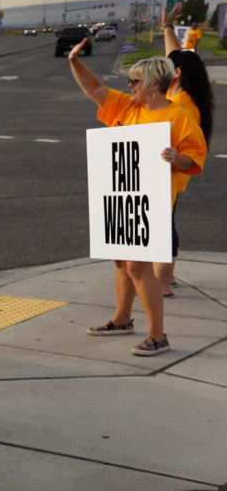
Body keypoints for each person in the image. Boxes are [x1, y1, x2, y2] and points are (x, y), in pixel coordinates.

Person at [67, 39, 207, 355]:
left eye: (135, 81)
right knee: (121, 261)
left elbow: (195, 158)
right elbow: (95, 89)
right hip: (123, 197)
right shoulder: (128, 106)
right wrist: (75, 61)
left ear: (154, 85)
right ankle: (122, 319)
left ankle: (158, 335)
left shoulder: (179, 117)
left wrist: (176, 158)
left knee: (137, 267)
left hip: (153, 202)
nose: (129, 86)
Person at [157, 2, 216, 296]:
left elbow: (185, 149)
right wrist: (167, 26)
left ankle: (164, 283)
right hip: (171, 172)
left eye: (169, 68)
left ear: (177, 73)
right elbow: (174, 55)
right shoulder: (177, 92)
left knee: (163, 223)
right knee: (166, 221)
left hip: (172, 172)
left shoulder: (181, 106)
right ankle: (167, 278)